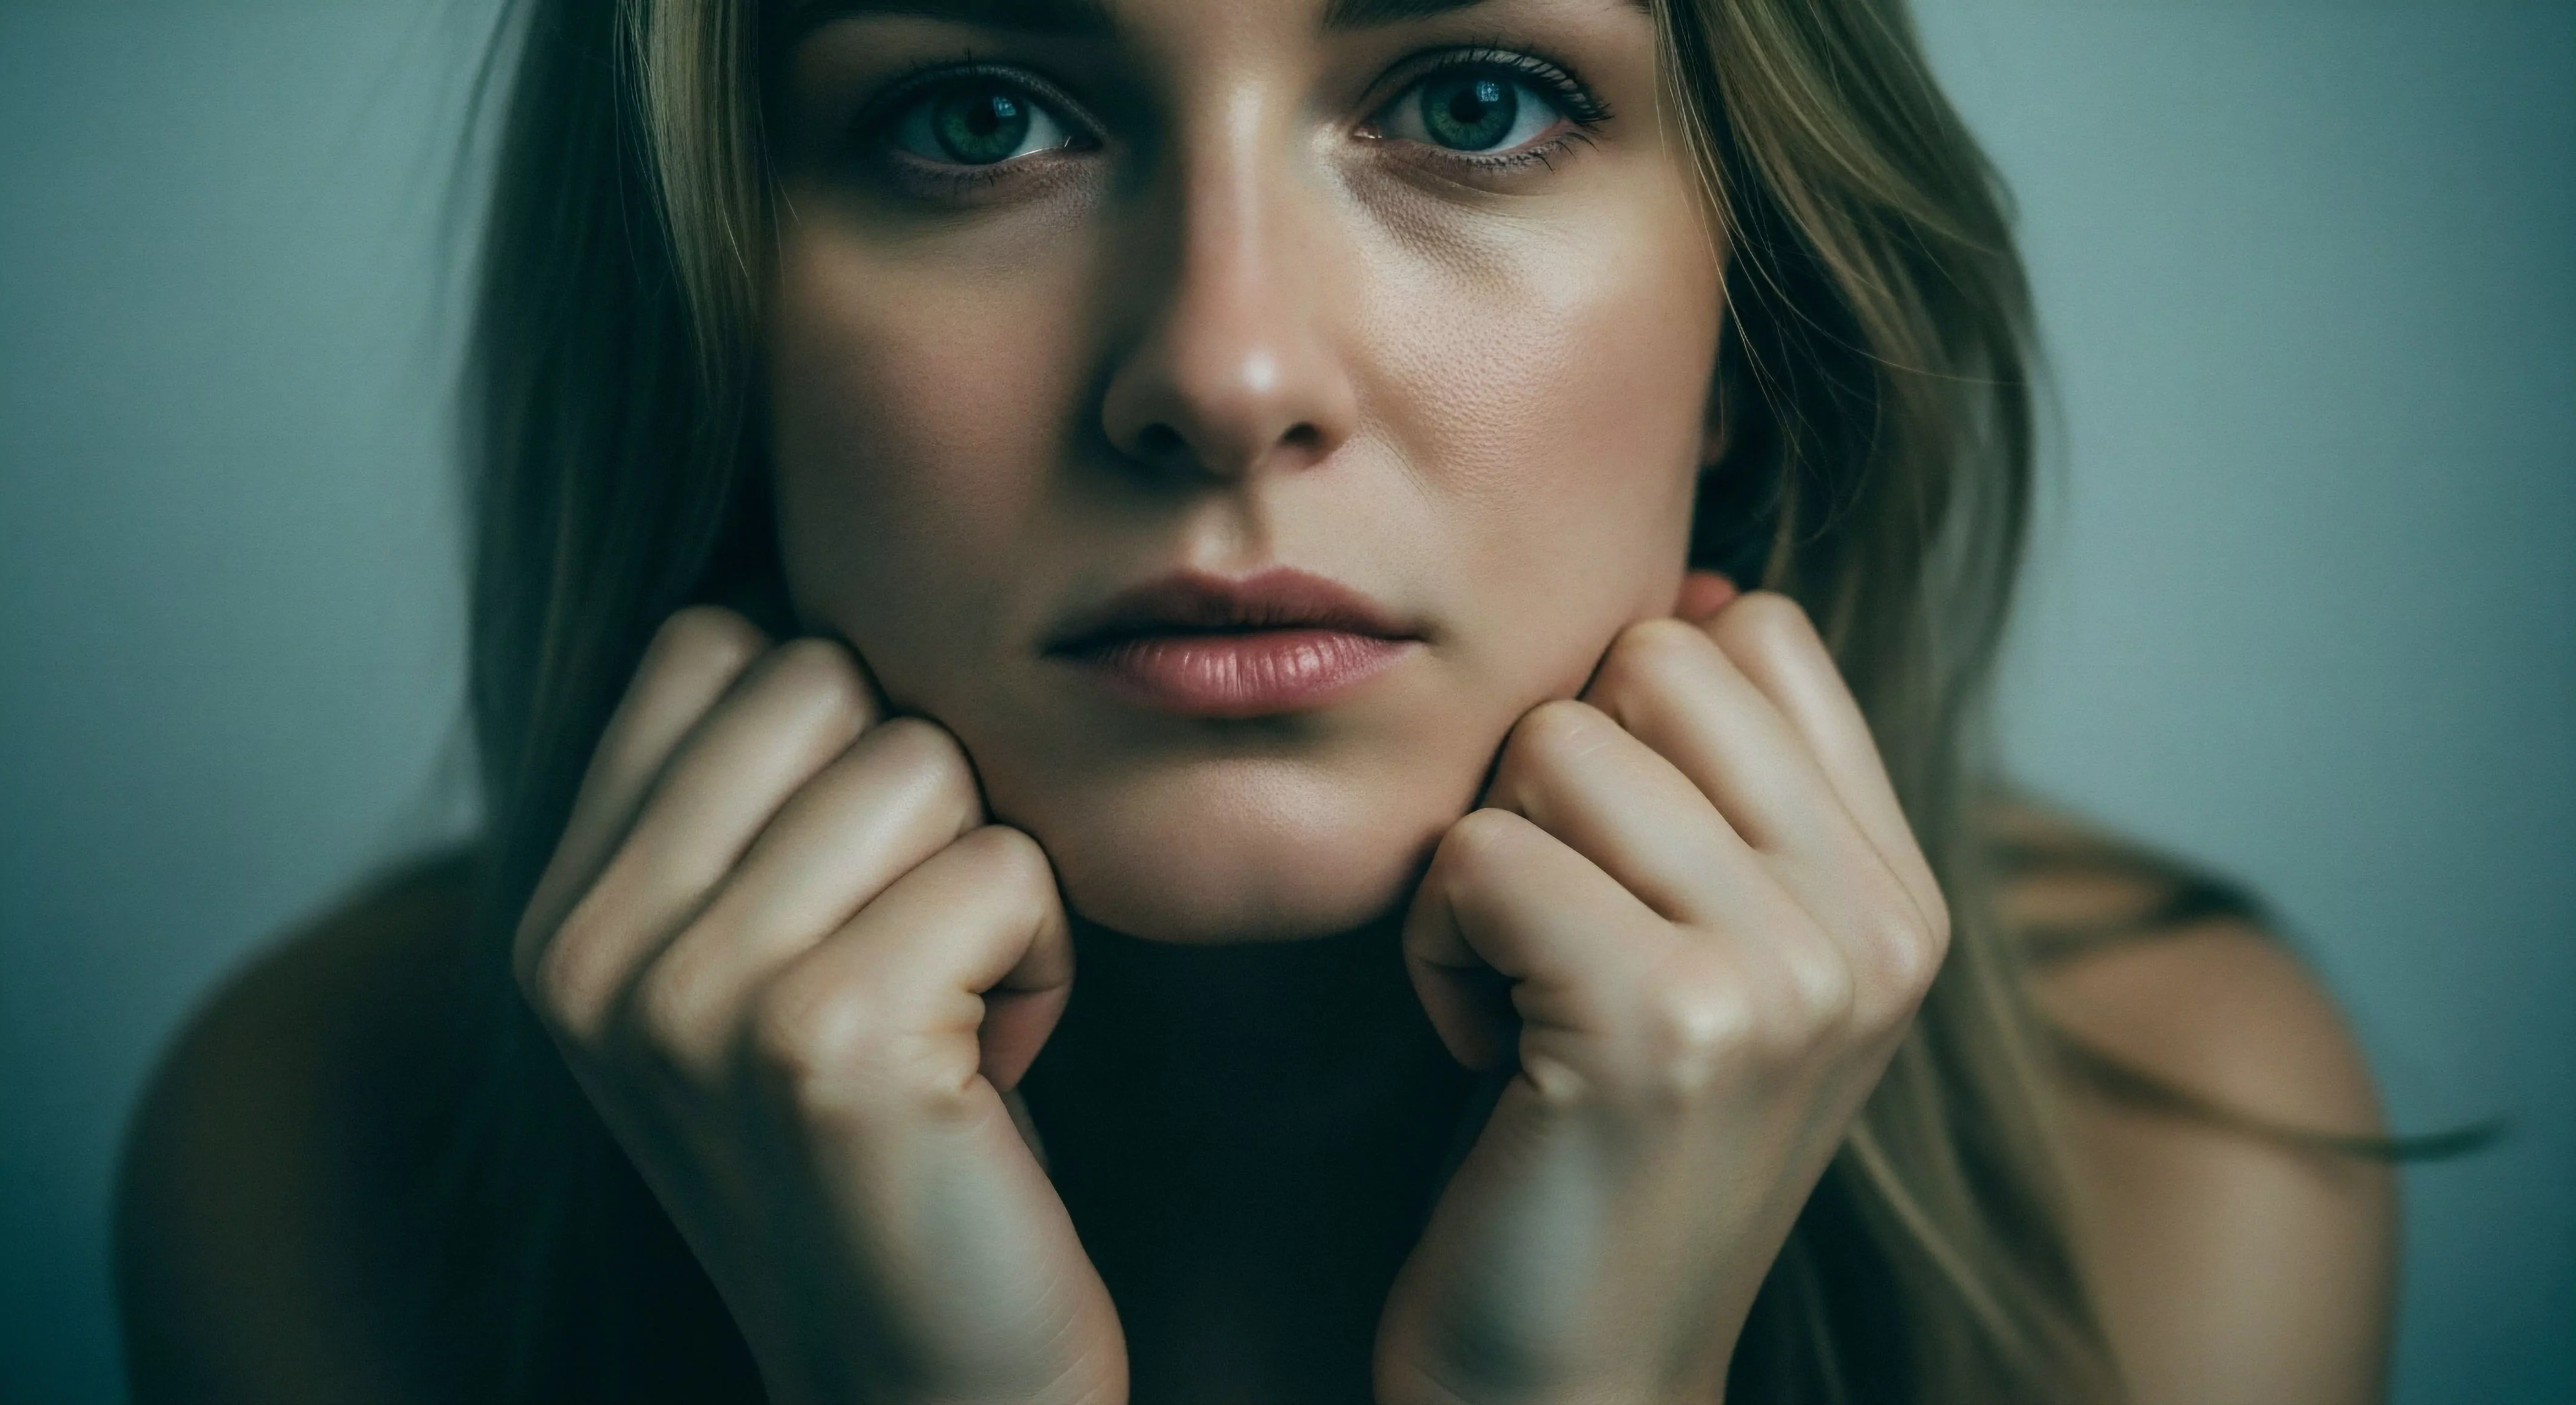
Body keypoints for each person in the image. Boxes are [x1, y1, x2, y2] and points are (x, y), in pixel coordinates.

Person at [111, 0, 2403, 1400]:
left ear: (1760, 323)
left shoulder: (2168, 1149)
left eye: (1480, 102)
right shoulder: (340, 1153)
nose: (1225, 371)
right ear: (715, 322)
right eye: (983, 119)